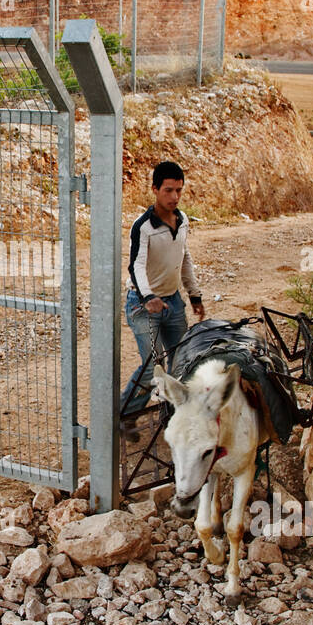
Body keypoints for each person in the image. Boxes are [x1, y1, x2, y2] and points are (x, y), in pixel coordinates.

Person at [119, 160, 206, 429]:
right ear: (155, 189)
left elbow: (184, 257)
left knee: (182, 361)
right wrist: (148, 298)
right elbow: (136, 266)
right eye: (168, 190)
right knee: (152, 367)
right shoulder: (143, 226)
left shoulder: (182, 221)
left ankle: (170, 417)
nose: (174, 197)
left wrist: (194, 295)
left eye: (179, 190)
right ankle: (122, 416)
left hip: (172, 303)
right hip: (143, 305)